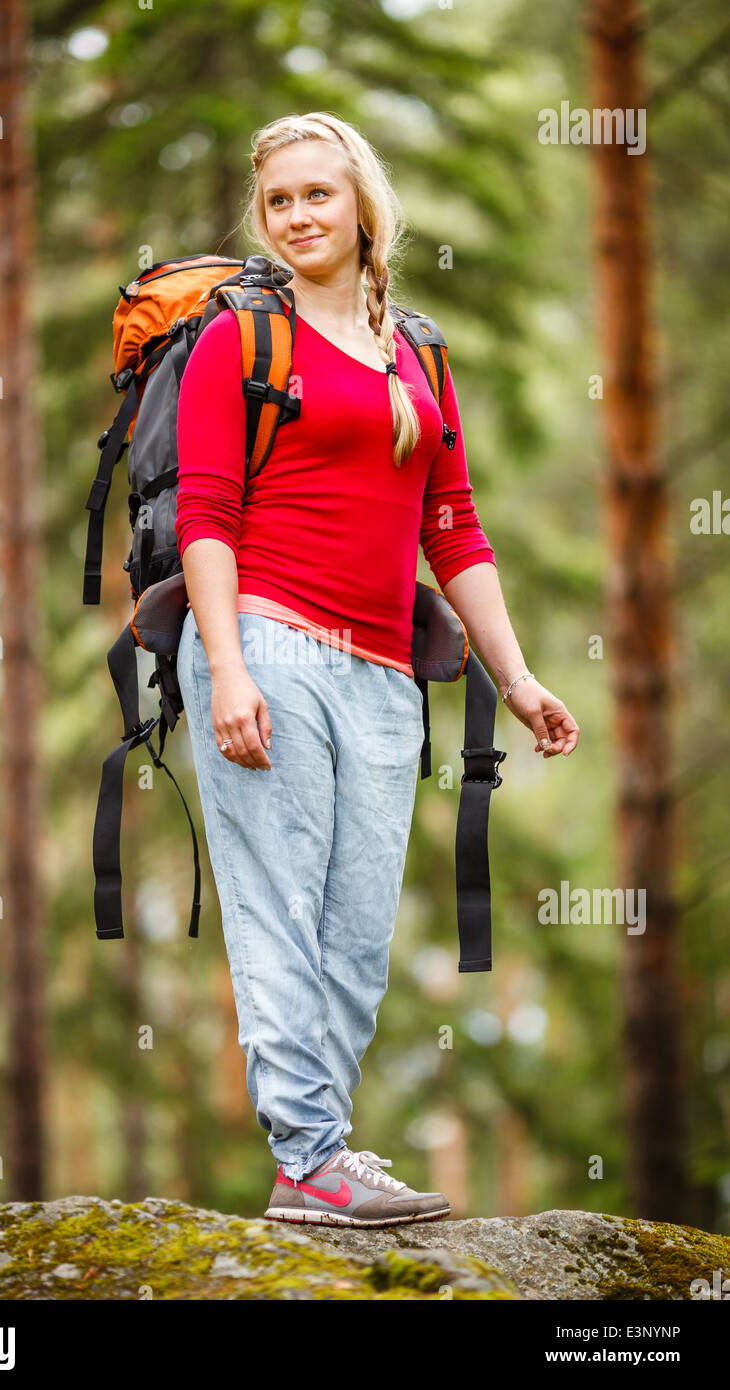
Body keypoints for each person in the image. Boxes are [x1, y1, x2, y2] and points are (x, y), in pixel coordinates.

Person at [174, 112, 579, 1227]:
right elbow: (207, 514)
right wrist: (224, 666)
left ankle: (319, 1156)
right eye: (278, 201)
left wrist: (521, 674)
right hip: (267, 645)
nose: (298, 215)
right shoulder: (240, 344)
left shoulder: (417, 354)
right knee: (279, 913)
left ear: (362, 205)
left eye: (317, 193)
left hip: (385, 679)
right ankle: (307, 1154)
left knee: (355, 931)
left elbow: (455, 531)